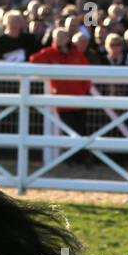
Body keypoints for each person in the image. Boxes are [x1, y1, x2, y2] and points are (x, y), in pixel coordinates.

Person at [30, 27, 92, 167]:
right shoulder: (50, 53)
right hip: (62, 101)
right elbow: (34, 60)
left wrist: (85, 90)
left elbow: (87, 73)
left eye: (63, 37)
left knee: (81, 131)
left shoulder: (77, 54)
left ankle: (83, 159)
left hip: (80, 99)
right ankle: (71, 159)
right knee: (69, 131)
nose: (60, 39)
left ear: (68, 38)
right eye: (57, 37)